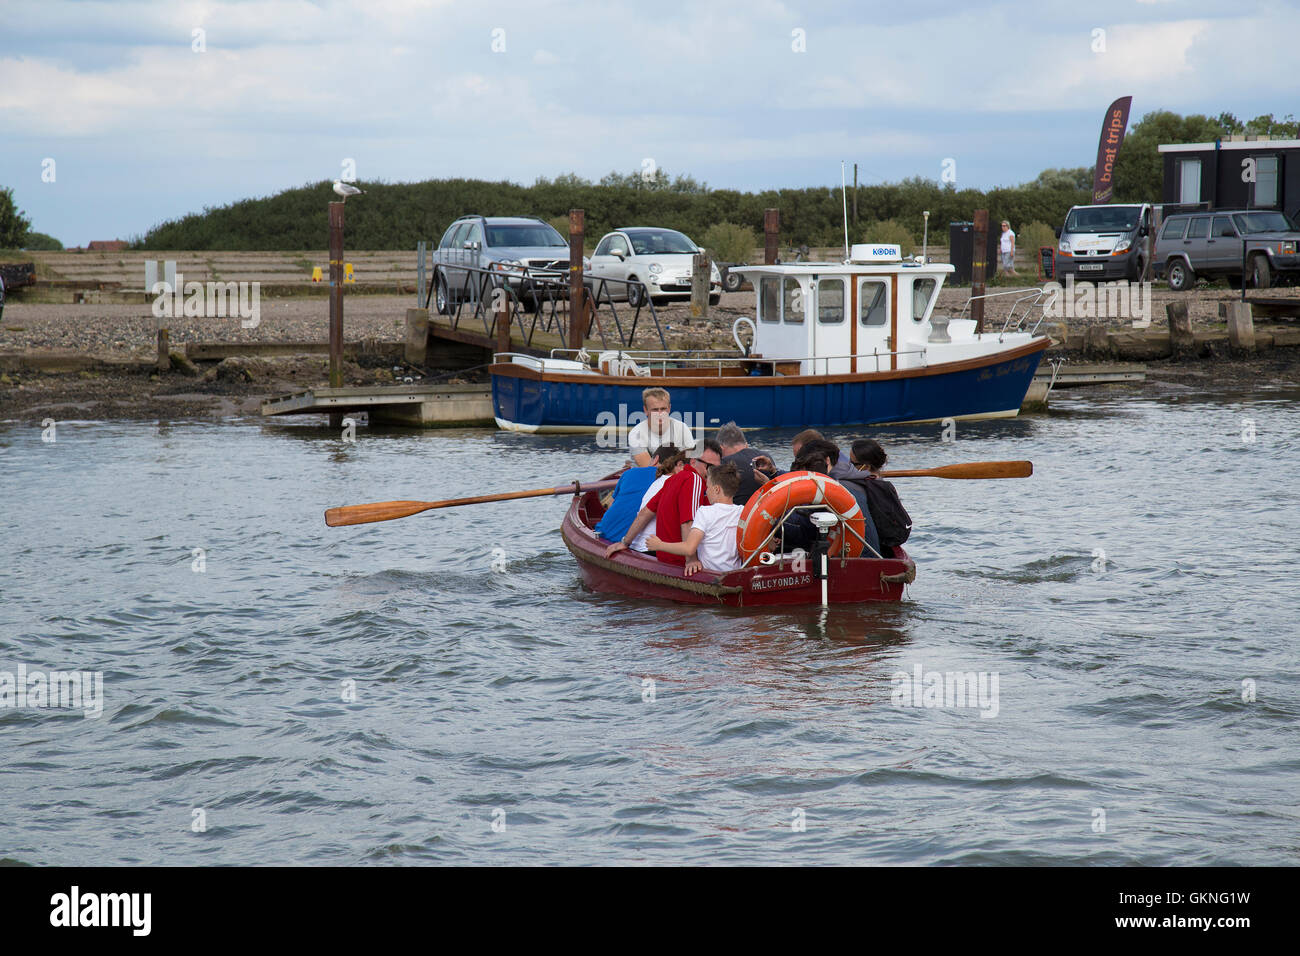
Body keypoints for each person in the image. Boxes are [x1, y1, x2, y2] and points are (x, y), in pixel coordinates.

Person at [605, 440, 724, 566]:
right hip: (677, 560)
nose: (713, 474)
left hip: (660, 555)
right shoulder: (694, 480)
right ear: (693, 461)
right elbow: (688, 522)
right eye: (710, 467)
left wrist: (625, 542)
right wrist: (691, 560)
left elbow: (645, 512)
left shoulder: (672, 480)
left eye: (717, 469)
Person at [648, 462, 744, 575]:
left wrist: (659, 545)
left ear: (717, 489)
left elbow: (689, 548)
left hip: (711, 575)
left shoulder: (705, 512)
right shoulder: (741, 511)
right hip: (734, 573)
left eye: (708, 487)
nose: (706, 491)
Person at [594, 444, 679, 546]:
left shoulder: (630, 473)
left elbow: (612, 506)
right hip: (633, 543)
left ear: (655, 459)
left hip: (605, 533)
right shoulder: (674, 483)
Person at [840, 438, 911, 557]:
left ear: (866, 467)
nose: (848, 466)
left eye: (852, 463)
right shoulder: (881, 484)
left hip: (872, 546)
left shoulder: (860, 487)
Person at [627, 386, 697, 466]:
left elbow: (692, 463)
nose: (660, 414)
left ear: (669, 408)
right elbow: (649, 468)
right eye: (655, 410)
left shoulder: (682, 428)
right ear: (645, 410)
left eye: (663, 409)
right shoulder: (636, 433)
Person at [716, 421, 768, 506]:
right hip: (767, 513)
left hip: (739, 516)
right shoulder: (766, 458)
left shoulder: (724, 463)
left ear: (721, 449)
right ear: (746, 445)